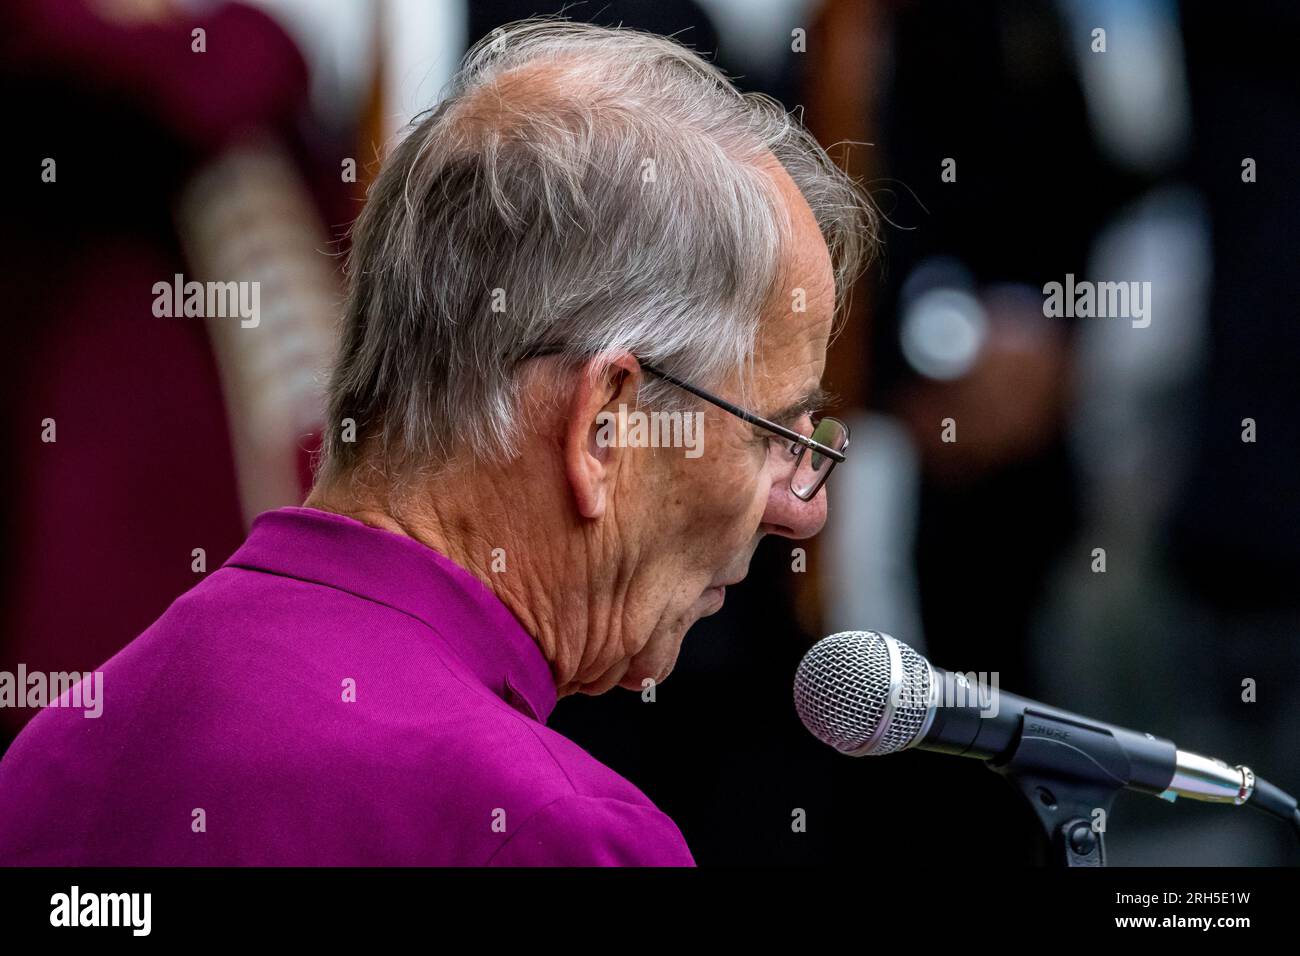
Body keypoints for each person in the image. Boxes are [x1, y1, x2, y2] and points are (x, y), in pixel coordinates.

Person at [0, 18, 874, 865]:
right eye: (773, 433)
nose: (802, 508)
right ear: (606, 425)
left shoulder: (57, 751)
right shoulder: (556, 835)